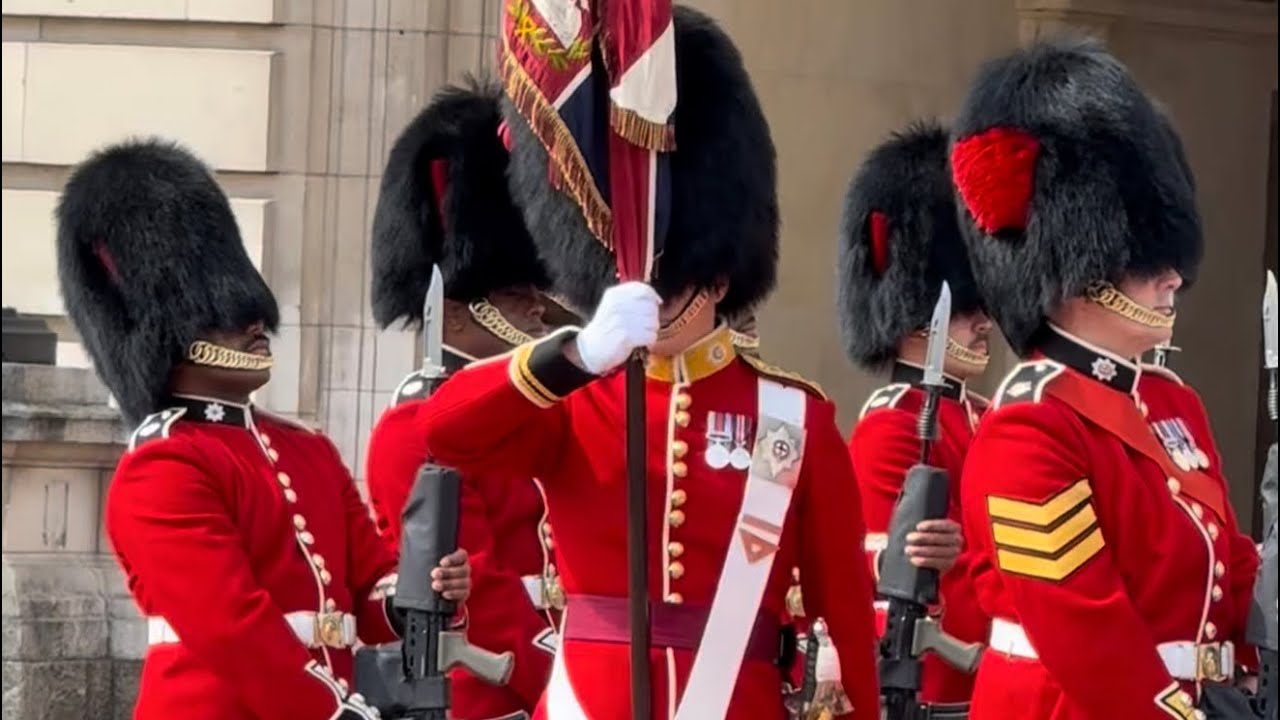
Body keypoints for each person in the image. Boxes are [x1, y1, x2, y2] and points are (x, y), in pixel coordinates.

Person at [418, 6, 882, 719]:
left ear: (720, 280)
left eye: (674, 285)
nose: (651, 299)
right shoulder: (576, 397)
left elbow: (843, 611)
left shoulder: (795, 417)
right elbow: (444, 429)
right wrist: (577, 353)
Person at [55, 139, 471, 720]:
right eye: (226, 317)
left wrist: (414, 599)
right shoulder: (163, 468)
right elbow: (234, 628)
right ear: (172, 335)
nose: (255, 323)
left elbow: (363, 587)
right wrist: (334, 711)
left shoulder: (307, 451)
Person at [949, 37, 1258, 720]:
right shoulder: (1030, 426)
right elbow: (1082, 628)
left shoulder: (1173, 402)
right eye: (1147, 262)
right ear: (1081, 271)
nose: (1172, 278)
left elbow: (1228, 563)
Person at [365, 77, 574, 720]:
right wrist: (564, 680)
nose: (538, 312)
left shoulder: (544, 412)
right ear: (454, 316)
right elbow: (478, 588)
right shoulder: (414, 427)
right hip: (497, 695)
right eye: (516, 297)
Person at [834, 120, 989, 704]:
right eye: (970, 309)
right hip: (937, 684)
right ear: (916, 313)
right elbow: (885, 567)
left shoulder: (987, 414)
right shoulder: (891, 426)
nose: (984, 323)